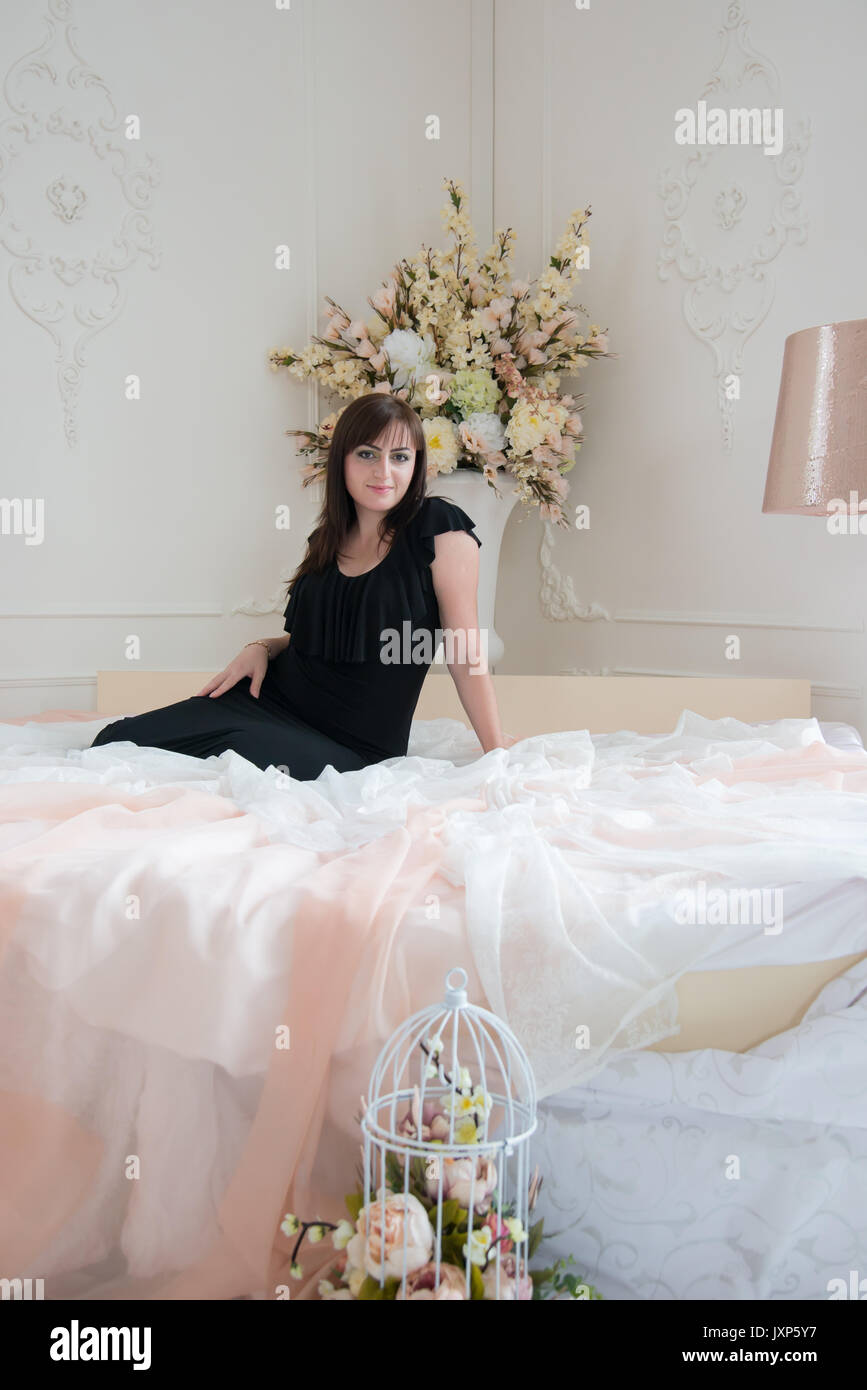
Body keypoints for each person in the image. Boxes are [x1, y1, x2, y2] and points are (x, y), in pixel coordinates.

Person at [90, 392, 512, 781]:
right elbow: (316, 641)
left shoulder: (440, 529)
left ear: (416, 463)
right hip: (270, 700)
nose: (384, 472)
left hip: (353, 746)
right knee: (116, 739)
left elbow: (464, 652)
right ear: (343, 460)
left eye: (399, 457)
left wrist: (496, 751)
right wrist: (262, 647)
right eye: (367, 454)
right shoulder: (326, 539)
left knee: (233, 750)